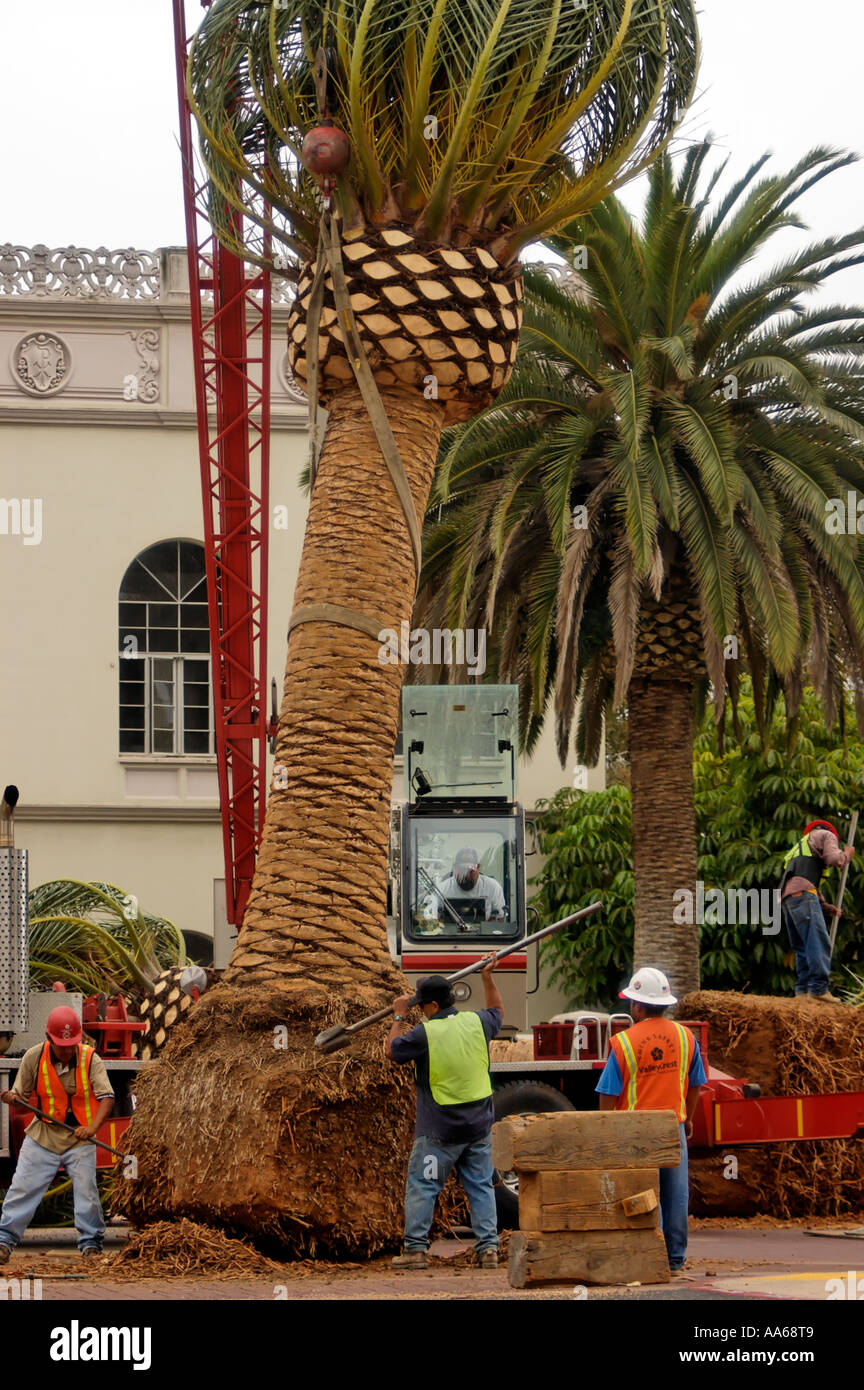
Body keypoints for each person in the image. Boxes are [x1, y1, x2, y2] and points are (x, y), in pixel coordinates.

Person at [386, 955, 502, 1269]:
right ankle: (489, 1248)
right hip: (478, 1127)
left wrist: (398, 1016)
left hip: (439, 1132)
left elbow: (392, 1050)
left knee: (424, 1186)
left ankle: (415, 1251)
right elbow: (496, 1011)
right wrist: (487, 977)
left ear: (433, 1006)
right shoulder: (477, 1022)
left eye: (422, 1007)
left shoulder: (425, 1033)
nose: (421, 1012)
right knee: (479, 1186)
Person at [595, 967, 705, 1276]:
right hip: (672, 1126)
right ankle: (674, 1259)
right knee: (676, 1195)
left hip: (635, 1131)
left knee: (641, 1194)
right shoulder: (686, 1038)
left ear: (638, 1006)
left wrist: (607, 1128)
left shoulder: (624, 1043)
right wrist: (687, 1120)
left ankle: (646, 1256)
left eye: (632, 1000)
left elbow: (608, 1092)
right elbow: (696, 1083)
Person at [0, 1005, 114, 1264]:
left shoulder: (89, 1058)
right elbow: (22, 1099)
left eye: (70, 1044)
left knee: (87, 1191)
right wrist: (12, 1099)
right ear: (49, 1038)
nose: (65, 1050)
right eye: (61, 1045)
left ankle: (91, 1246)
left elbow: (107, 1097)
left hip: (79, 1137)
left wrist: (93, 1129)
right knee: (22, 1188)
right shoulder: (34, 1056)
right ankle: (4, 1241)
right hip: (43, 1136)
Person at [779, 819, 853, 1002]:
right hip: (803, 895)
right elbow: (834, 859)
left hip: (789, 898)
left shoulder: (800, 847)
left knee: (803, 946)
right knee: (817, 942)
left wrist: (825, 906)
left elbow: (802, 880)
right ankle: (819, 989)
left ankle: (803, 991)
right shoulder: (825, 835)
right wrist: (847, 855)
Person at [425, 847, 506, 923]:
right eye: (463, 870)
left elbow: (499, 918)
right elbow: (430, 918)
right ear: (454, 869)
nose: (466, 876)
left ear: (478, 868)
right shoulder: (441, 889)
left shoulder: (492, 887)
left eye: (470, 872)